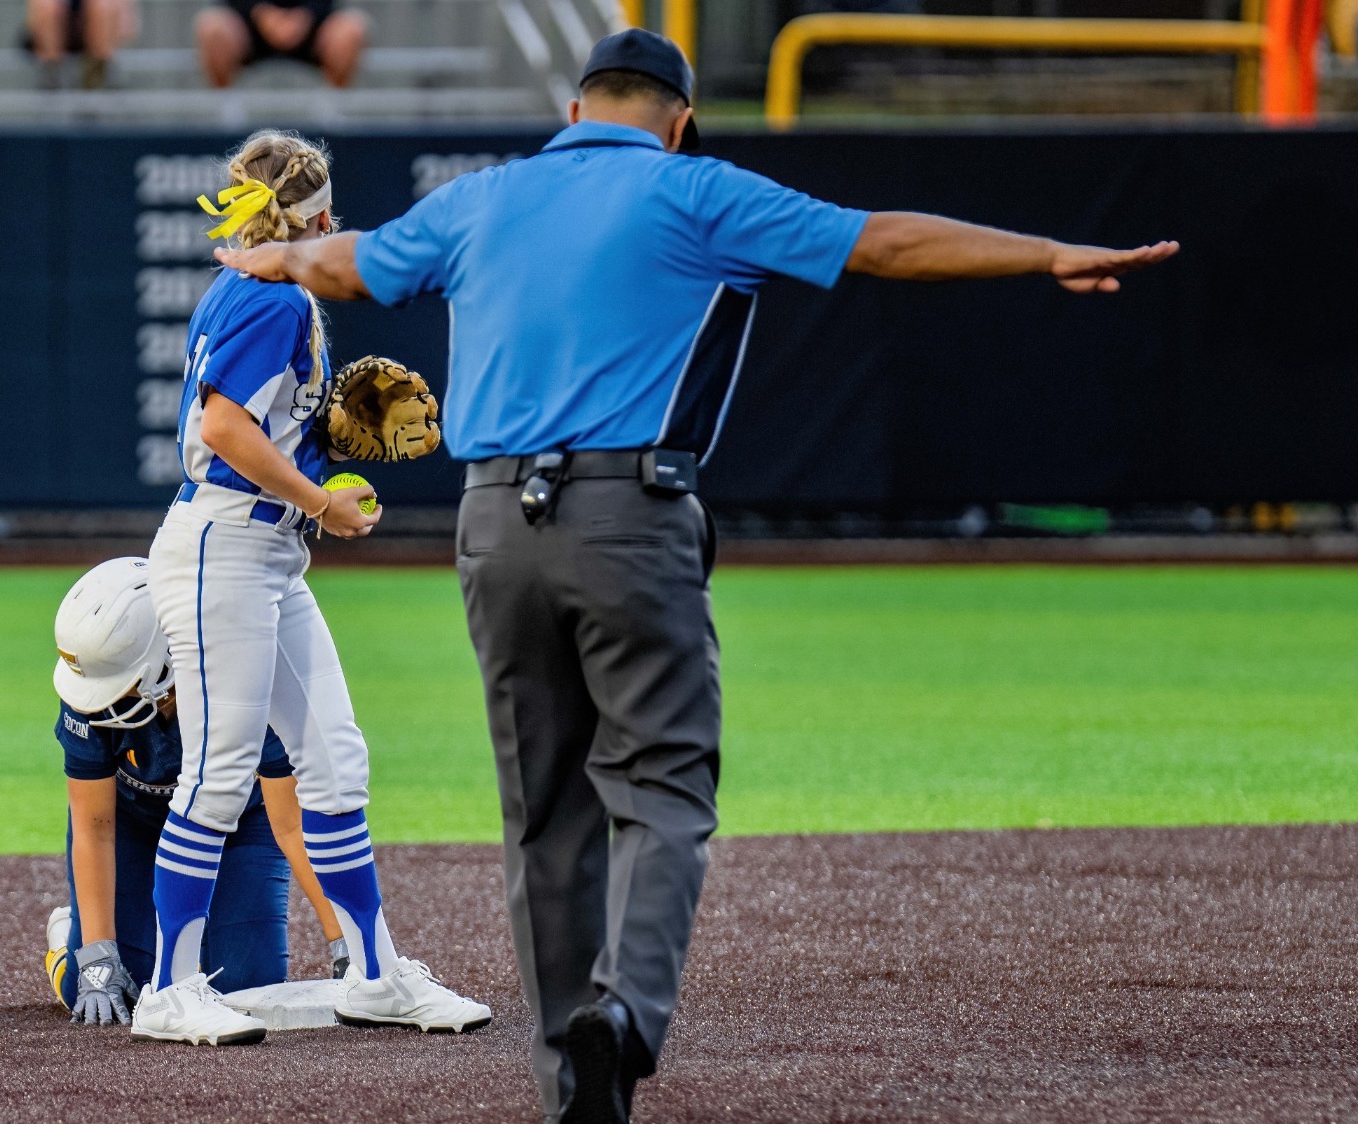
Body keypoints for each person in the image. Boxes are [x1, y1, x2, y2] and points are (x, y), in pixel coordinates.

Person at [213, 30, 1178, 1122]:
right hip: (627, 513)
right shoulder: (692, 188)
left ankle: (569, 1086)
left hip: (489, 523)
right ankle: (621, 1018)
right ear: (676, 119)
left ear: (572, 113)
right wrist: (1041, 252)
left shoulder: (483, 198)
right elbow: (884, 245)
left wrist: (277, 260)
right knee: (663, 784)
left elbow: (353, 261)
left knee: (542, 812)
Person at [131, 129, 491, 1047]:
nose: (334, 223)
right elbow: (222, 430)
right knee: (216, 776)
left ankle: (373, 973)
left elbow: (263, 428)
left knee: (334, 757)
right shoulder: (274, 292)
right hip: (225, 548)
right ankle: (169, 990)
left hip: (262, 553)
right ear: (305, 216)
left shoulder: (257, 287)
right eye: (325, 210)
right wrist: (318, 499)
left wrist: (322, 446)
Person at [40, 557, 349, 1028]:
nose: (99, 702)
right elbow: (93, 827)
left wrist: (347, 945)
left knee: (247, 987)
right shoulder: (95, 677)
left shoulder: (247, 677)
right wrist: (97, 955)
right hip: (131, 826)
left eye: (117, 689)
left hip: (240, 825)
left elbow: (291, 825)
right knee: (119, 986)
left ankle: (208, 937)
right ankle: (69, 936)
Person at [195, 0, 367, 88]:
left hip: (313, 26)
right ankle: (225, 115)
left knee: (352, 28)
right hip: (249, 27)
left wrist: (306, 15)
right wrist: (259, 12)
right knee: (212, 27)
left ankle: (335, 116)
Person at [21, 0, 137, 89]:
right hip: (57, 28)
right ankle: (52, 78)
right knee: (46, 6)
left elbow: (127, 27)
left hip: (96, 30)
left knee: (103, 7)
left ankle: (96, 80)